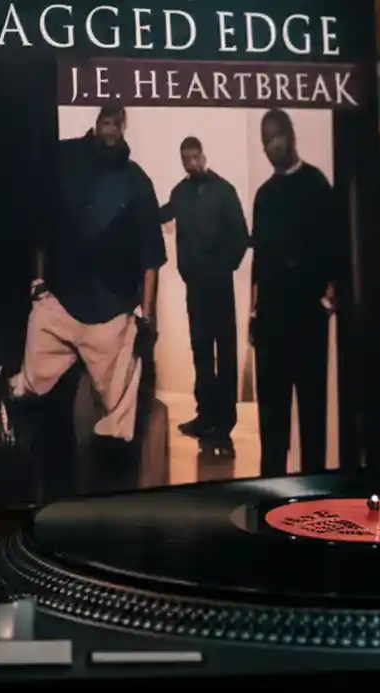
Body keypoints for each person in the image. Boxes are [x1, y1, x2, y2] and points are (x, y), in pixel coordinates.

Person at [8, 105, 165, 451]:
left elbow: (150, 256)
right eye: (106, 119)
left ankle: (109, 472)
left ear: (123, 127)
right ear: (97, 122)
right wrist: (39, 284)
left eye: (116, 121)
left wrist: (146, 318)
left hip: (110, 316)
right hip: (59, 304)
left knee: (117, 425)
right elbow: (40, 222)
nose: (111, 126)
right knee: (31, 396)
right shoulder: (65, 158)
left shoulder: (136, 182)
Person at [250, 109, 343, 477]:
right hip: (271, 322)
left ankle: (314, 496)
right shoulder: (264, 196)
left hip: (308, 319)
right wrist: (254, 314)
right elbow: (260, 261)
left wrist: (328, 299)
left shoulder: (317, 185)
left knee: (312, 416)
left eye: (277, 136)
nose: (272, 145)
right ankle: (272, 495)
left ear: (291, 135)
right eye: (266, 140)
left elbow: (336, 250)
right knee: (272, 425)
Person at [159, 136, 250, 456]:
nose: (192, 163)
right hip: (195, 285)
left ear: (203, 155)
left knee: (224, 352)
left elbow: (241, 236)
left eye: (195, 156)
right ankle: (206, 415)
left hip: (219, 284)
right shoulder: (180, 193)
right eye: (187, 158)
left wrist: (224, 267)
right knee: (200, 350)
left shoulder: (223, 191)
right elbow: (163, 213)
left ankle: (223, 423)